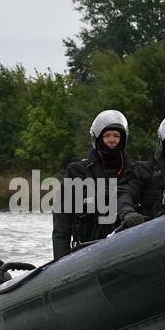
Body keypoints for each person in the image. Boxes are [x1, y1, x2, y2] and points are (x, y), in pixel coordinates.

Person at [51, 110, 133, 259]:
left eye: (116, 136)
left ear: (123, 139)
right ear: (97, 138)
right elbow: (61, 224)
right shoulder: (77, 172)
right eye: (107, 135)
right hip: (86, 252)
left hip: (125, 250)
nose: (112, 140)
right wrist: (60, 260)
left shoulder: (135, 172)